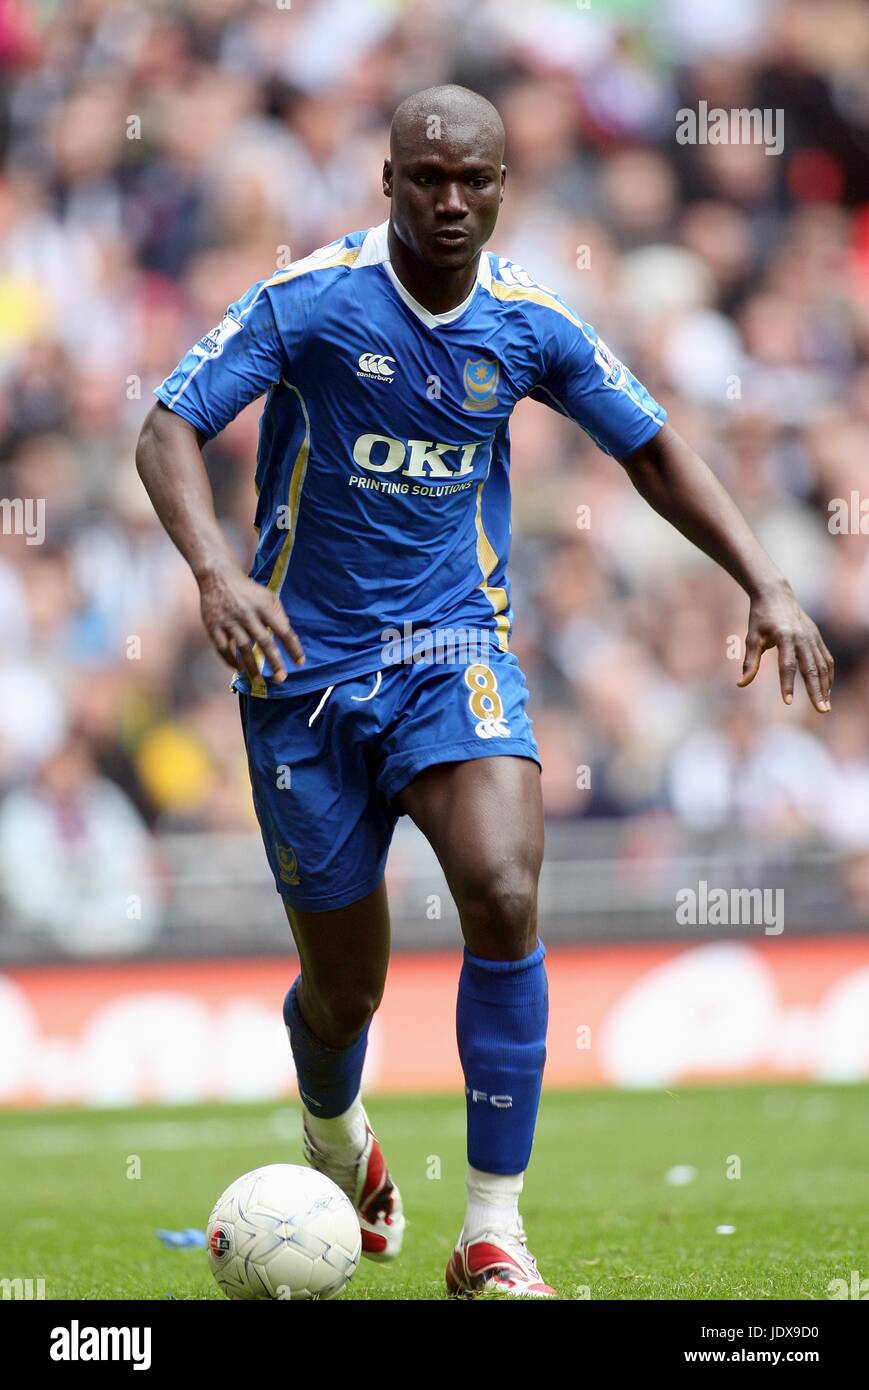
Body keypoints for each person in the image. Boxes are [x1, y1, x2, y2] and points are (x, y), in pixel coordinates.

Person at [135, 84, 834, 1298]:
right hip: (298, 674)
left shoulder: (531, 323)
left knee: (504, 889)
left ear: (504, 185)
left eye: (475, 180)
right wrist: (214, 577)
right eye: (427, 179)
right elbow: (164, 428)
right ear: (386, 178)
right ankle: (336, 1133)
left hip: (453, 652)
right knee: (343, 990)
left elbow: (655, 451)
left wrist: (766, 580)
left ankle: (491, 1230)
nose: (451, 201)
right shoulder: (310, 301)